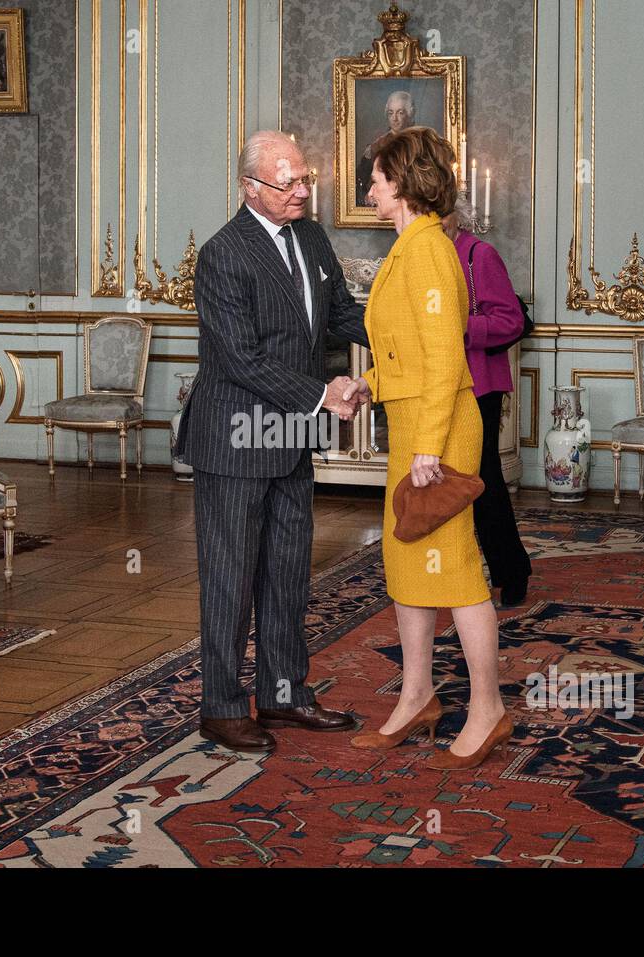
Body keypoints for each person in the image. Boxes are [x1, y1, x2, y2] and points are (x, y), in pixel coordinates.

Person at [174, 130, 371, 753]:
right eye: (288, 183)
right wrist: (322, 396)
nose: (303, 191)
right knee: (232, 578)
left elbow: (340, 316)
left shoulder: (312, 236)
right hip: (236, 436)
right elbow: (241, 358)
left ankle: (284, 692)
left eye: (305, 179)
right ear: (250, 188)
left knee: (288, 572)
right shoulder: (223, 254)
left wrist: (411, 326)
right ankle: (223, 705)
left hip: (291, 435)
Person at [344, 126, 512, 770]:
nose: (368, 188)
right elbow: (409, 354)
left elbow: (445, 361)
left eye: (377, 178)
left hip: (438, 431)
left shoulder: (429, 252)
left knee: (458, 569)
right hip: (415, 424)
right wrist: (369, 384)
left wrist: (430, 446)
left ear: (404, 183)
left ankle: (488, 710)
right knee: (409, 561)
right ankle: (416, 697)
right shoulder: (406, 248)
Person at [443, 197, 533, 607]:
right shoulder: (419, 253)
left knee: (483, 481)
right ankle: (448, 572)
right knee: (444, 482)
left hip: (479, 385)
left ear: (454, 213)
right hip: (438, 384)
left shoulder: (480, 254)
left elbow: (512, 321)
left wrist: (460, 327)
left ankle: (511, 568)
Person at [356, 91, 414, 206]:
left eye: (400, 113)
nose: (395, 118)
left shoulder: (421, 143)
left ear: (409, 114)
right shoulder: (376, 146)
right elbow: (361, 181)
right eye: (390, 113)